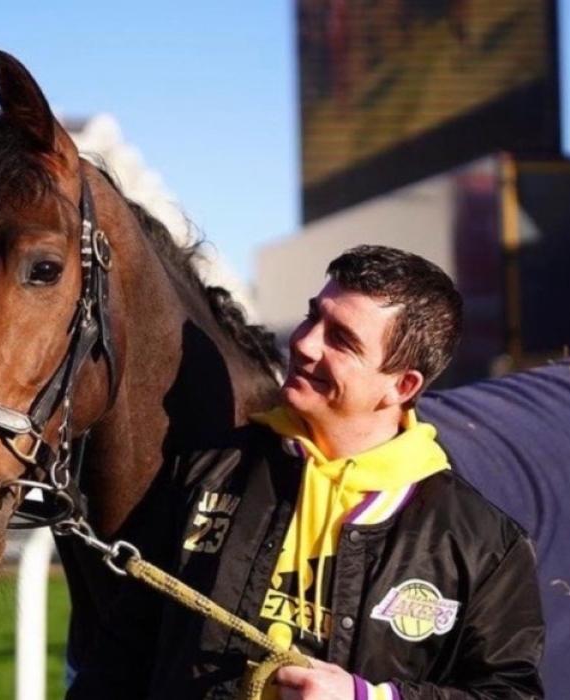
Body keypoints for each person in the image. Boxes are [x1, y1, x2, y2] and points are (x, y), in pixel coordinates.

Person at [149, 245, 544, 699]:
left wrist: (369, 698)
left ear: (402, 385)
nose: (303, 342)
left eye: (341, 338)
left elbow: (510, 694)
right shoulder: (207, 469)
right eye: (312, 316)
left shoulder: (482, 545)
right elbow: (121, 649)